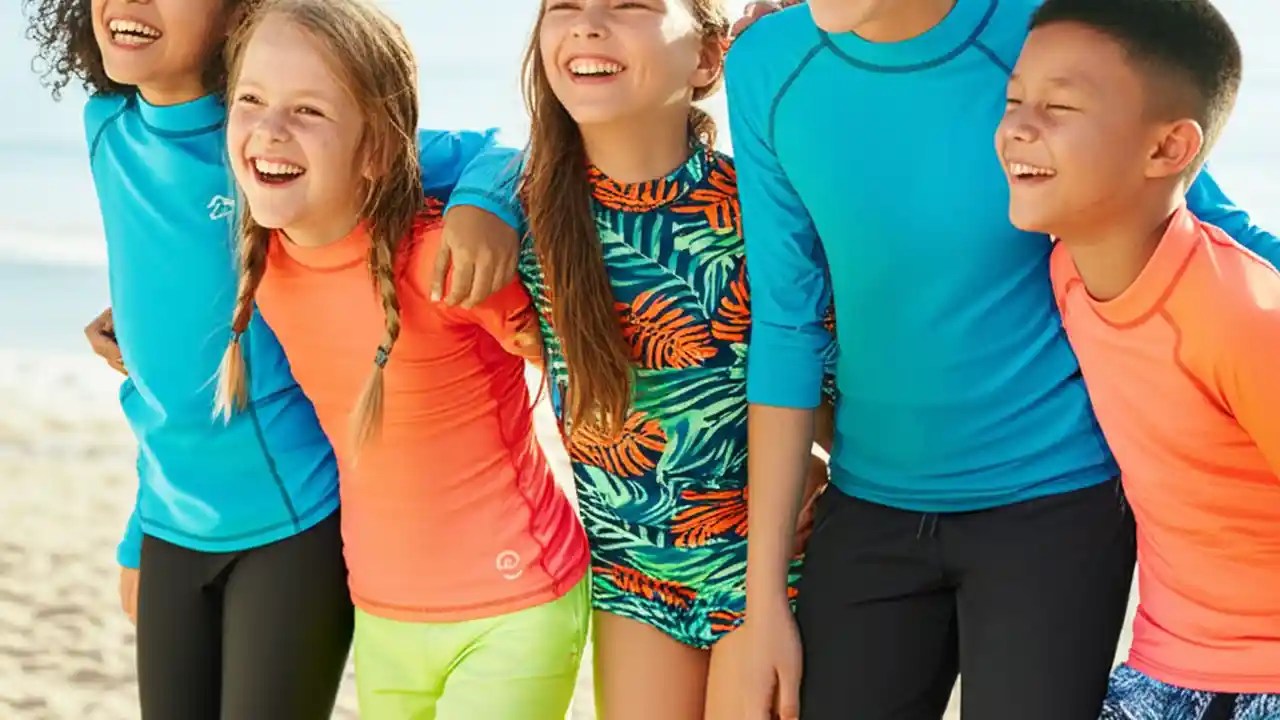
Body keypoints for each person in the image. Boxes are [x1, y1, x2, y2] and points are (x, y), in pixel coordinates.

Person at [724, 1, 1280, 719]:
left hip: (1058, 507)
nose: (1023, 117)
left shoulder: (1048, 31)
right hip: (869, 507)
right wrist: (761, 600)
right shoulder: (768, 62)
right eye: (1018, 102)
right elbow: (785, 320)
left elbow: (1184, 206)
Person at [24, 0, 524, 715]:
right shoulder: (106, 129)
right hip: (170, 525)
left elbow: (492, 152)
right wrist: (138, 529)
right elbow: (164, 366)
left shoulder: (271, 141)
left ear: (241, 15)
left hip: (294, 529)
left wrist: (483, 207)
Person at [450, 1, 833, 717]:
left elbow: (839, 404)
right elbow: (408, 145)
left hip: (776, 570)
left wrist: (823, 476)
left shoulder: (762, 206)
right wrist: (482, 188)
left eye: (632, 5)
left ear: (709, 59)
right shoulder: (526, 216)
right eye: (565, 5)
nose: (589, 25)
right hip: (631, 577)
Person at [213, 3, 591, 717]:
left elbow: (589, 376)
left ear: (379, 149)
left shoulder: (440, 261)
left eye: (308, 111)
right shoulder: (264, 264)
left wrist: (487, 203)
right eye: (251, 101)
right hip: (383, 615)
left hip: (514, 605)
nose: (268, 129)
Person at [997, 1, 1280, 717]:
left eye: (1060, 105)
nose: (1018, 128)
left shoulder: (1241, 317)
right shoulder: (1064, 272)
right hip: (1160, 671)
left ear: (1167, 150)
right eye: (1014, 100)